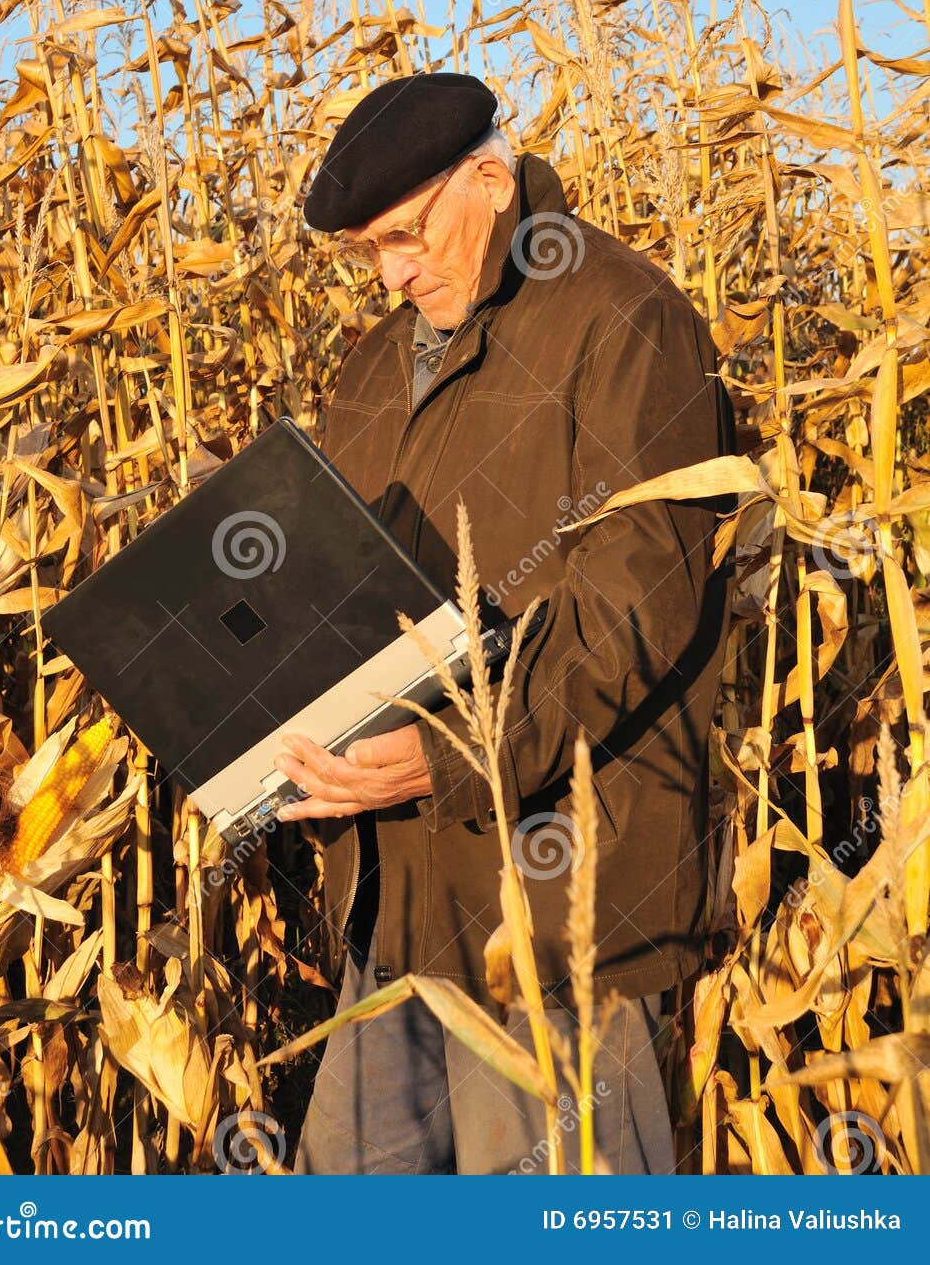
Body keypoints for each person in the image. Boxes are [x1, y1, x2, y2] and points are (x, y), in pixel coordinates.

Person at [274, 71, 736, 1174]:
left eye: (404, 236)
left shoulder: (626, 320)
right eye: (367, 254)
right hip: (392, 902)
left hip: (557, 913)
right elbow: (352, 594)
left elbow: (638, 614)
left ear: (490, 177)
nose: (393, 273)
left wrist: (444, 754)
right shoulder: (375, 364)